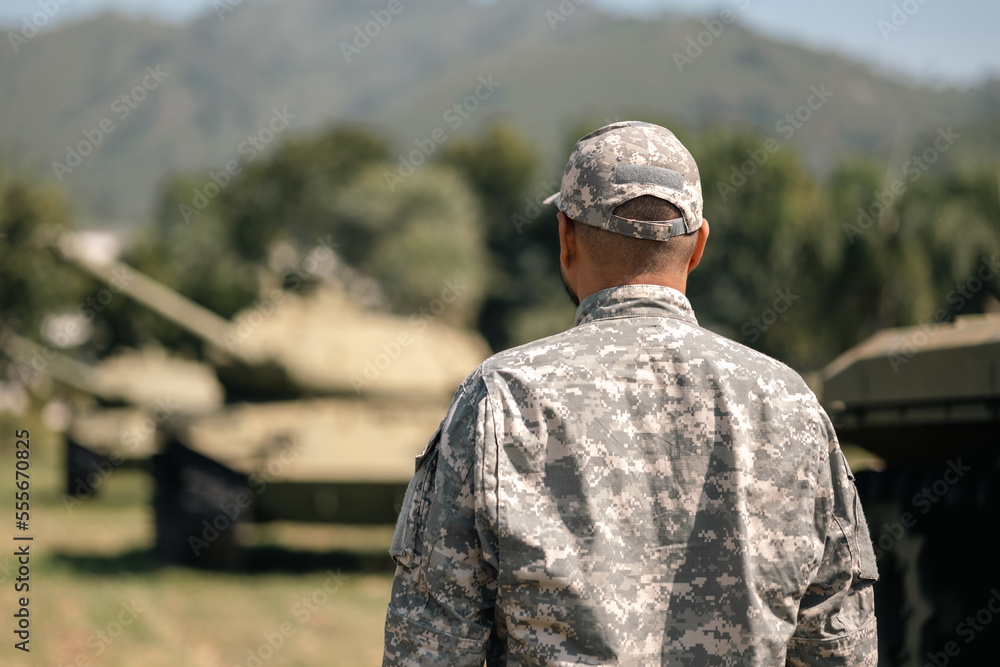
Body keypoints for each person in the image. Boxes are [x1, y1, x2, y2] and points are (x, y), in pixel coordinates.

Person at [382, 121, 878, 665]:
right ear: (699, 246)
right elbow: (840, 647)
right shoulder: (790, 404)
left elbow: (429, 649)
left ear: (566, 236)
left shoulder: (499, 399)